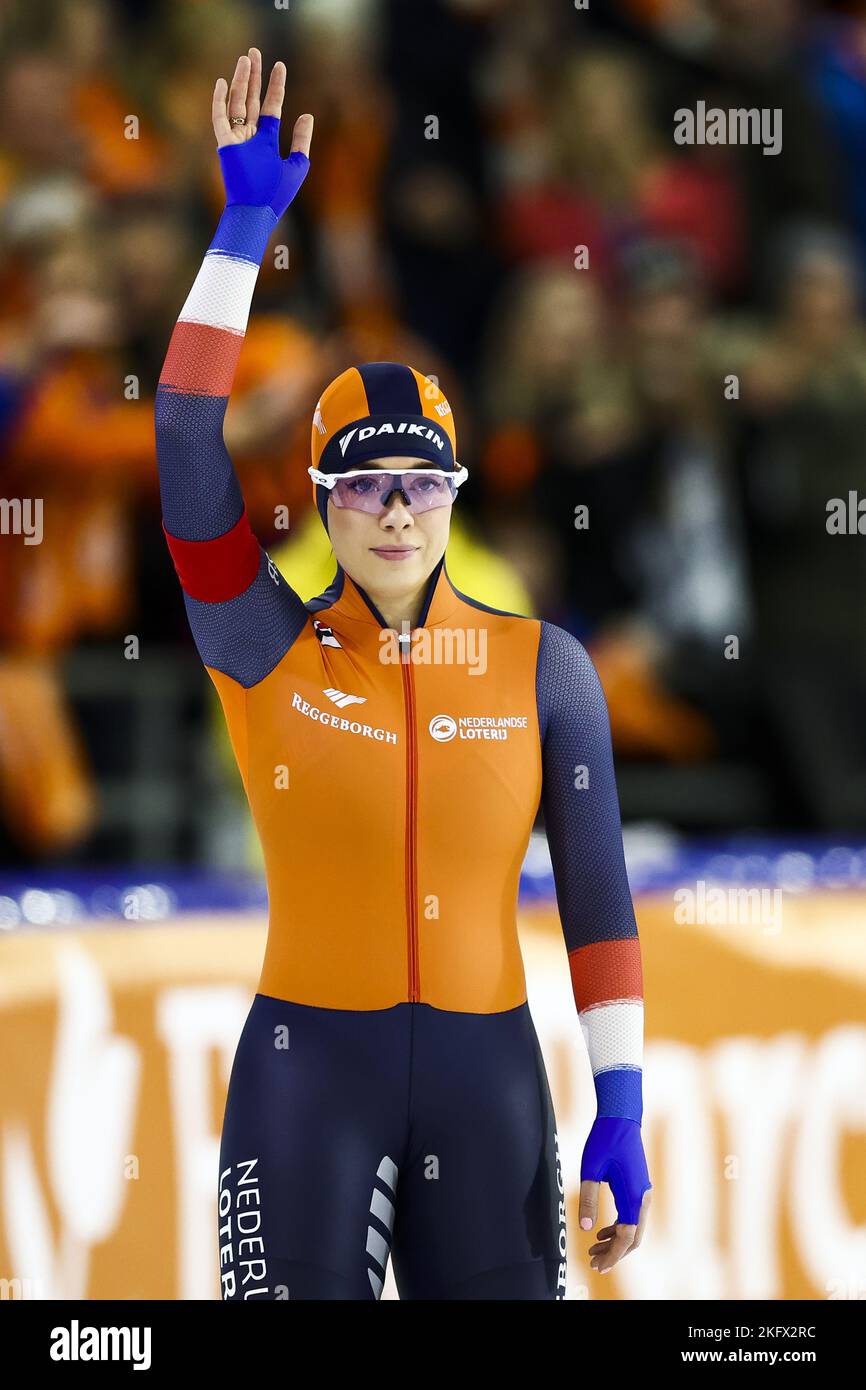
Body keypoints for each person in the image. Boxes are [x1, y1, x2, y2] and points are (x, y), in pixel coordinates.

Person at [154, 47, 651, 1301]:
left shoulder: (546, 671)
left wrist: (621, 1111)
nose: (392, 510)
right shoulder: (257, 643)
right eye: (362, 485)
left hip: (489, 1086)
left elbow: (597, 906)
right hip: (303, 1077)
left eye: (418, 483)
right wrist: (242, 234)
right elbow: (179, 433)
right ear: (322, 504)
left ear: (451, 498)